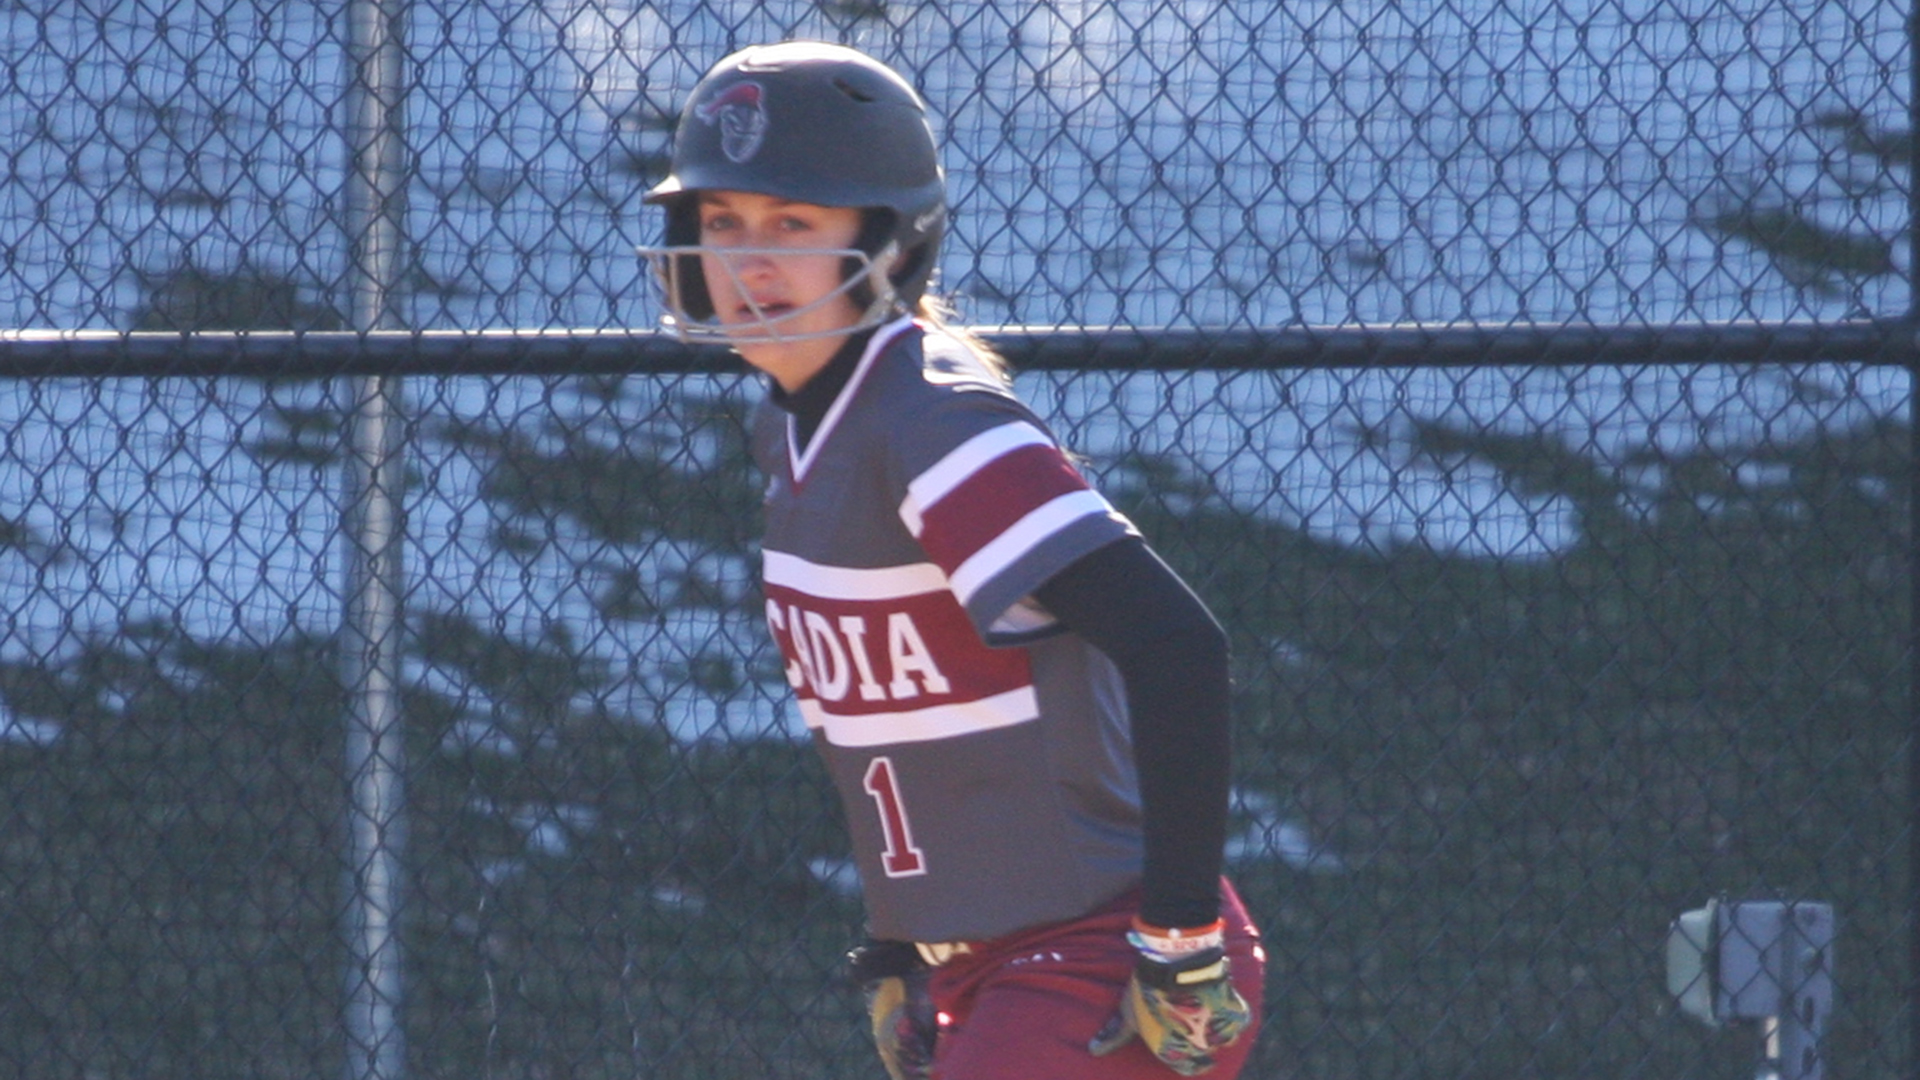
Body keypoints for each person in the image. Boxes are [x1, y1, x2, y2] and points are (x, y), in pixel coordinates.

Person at [639, 40, 1265, 1080]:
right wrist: (904, 945)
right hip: (990, 967)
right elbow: (903, 728)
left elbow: (1177, 646)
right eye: (722, 221)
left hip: (1101, 958)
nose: (748, 260)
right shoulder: (795, 425)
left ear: (891, 244)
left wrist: (1181, 937)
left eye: (792, 223)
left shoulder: (935, 424)